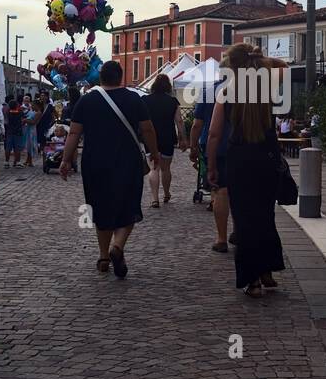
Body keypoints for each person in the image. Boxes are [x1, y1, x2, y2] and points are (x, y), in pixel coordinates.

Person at [60, 61, 160, 279]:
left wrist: (66, 159)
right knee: (128, 204)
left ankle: (104, 256)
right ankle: (118, 246)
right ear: (120, 77)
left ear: (100, 78)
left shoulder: (87, 101)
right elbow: (147, 128)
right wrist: (154, 153)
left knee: (100, 206)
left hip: (94, 162)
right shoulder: (134, 99)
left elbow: (74, 133)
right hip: (127, 161)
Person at [207, 43, 287, 297]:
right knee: (265, 216)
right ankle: (267, 271)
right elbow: (284, 66)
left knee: (243, 221)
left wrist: (211, 166)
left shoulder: (225, 93)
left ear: (232, 67)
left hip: (239, 160)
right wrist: (261, 58)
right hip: (265, 158)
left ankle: (251, 280)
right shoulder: (266, 87)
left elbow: (214, 134)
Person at [190, 61, 231, 252]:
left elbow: (197, 124)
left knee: (219, 189)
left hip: (212, 144)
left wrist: (193, 147)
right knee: (238, 190)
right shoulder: (248, 91)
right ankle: (238, 232)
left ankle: (221, 238)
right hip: (239, 145)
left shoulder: (208, 91)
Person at [144, 75, 186, 208]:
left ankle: (154, 199)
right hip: (168, 137)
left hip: (150, 138)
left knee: (154, 168)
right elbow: (179, 121)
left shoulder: (145, 100)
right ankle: (166, 193)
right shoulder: (173, 101)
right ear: (168, 86)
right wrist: (183, 138)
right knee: (166, 168)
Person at [3, 96, 25, 167]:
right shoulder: (20, 112)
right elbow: (23, 119)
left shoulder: (8, 112)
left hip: (9, 131)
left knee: (8, 148)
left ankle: (6, 162)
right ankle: (18, 162)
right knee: (17, 148)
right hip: (18, 132)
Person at [20, 93, 39, 166]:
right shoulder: (21, 108)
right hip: (25, 128)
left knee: (31, 144)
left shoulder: (32, 108)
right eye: (25, 100)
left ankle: (30, 160)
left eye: (28, 100)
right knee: (27, 145)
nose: (26, 102)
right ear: (23, 101)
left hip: (32, 128)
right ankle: (28, 160)